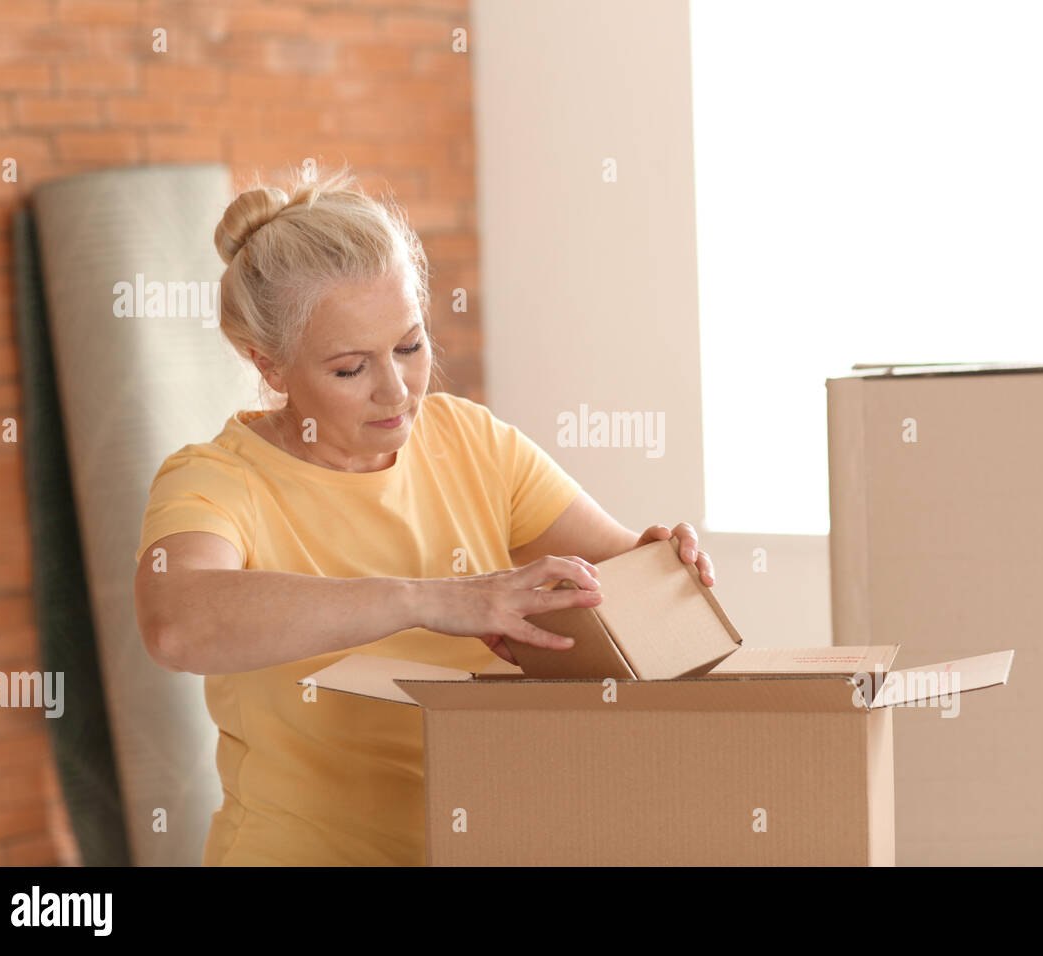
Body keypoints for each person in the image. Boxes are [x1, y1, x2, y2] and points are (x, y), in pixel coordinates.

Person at [131, 164, 718, 866]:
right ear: (271, 364)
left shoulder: (471, 440)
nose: (397, 390)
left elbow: (612, 576)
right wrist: (429, 601)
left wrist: (658, 566)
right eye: (351, 368)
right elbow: (177, 625)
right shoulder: (218, 479)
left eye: (410, 347)